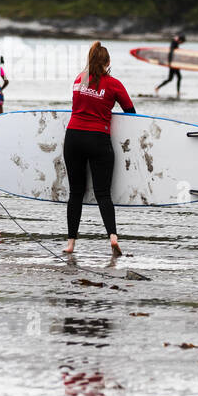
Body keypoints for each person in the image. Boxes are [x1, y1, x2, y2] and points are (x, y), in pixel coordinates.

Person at [63, 41, 135, 257]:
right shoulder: (113, 84)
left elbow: (76, 107)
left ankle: (70, 244)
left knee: (76, 193)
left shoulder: (78, 80)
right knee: (103, 193)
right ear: (108, 62)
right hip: (98, 139)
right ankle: (113, 237)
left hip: (73, 137)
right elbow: (131, 113)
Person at [154, 33, 186, 97]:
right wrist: (170, 63)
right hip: (173, 63)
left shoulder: (175, 42)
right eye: (182, 42)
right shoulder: (174, 42)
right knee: (175, 78)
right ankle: (177, 92)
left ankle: (158, 88)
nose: (182, 43)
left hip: (174, 63)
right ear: (180, 40)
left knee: (173, 78)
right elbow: (171, 52)